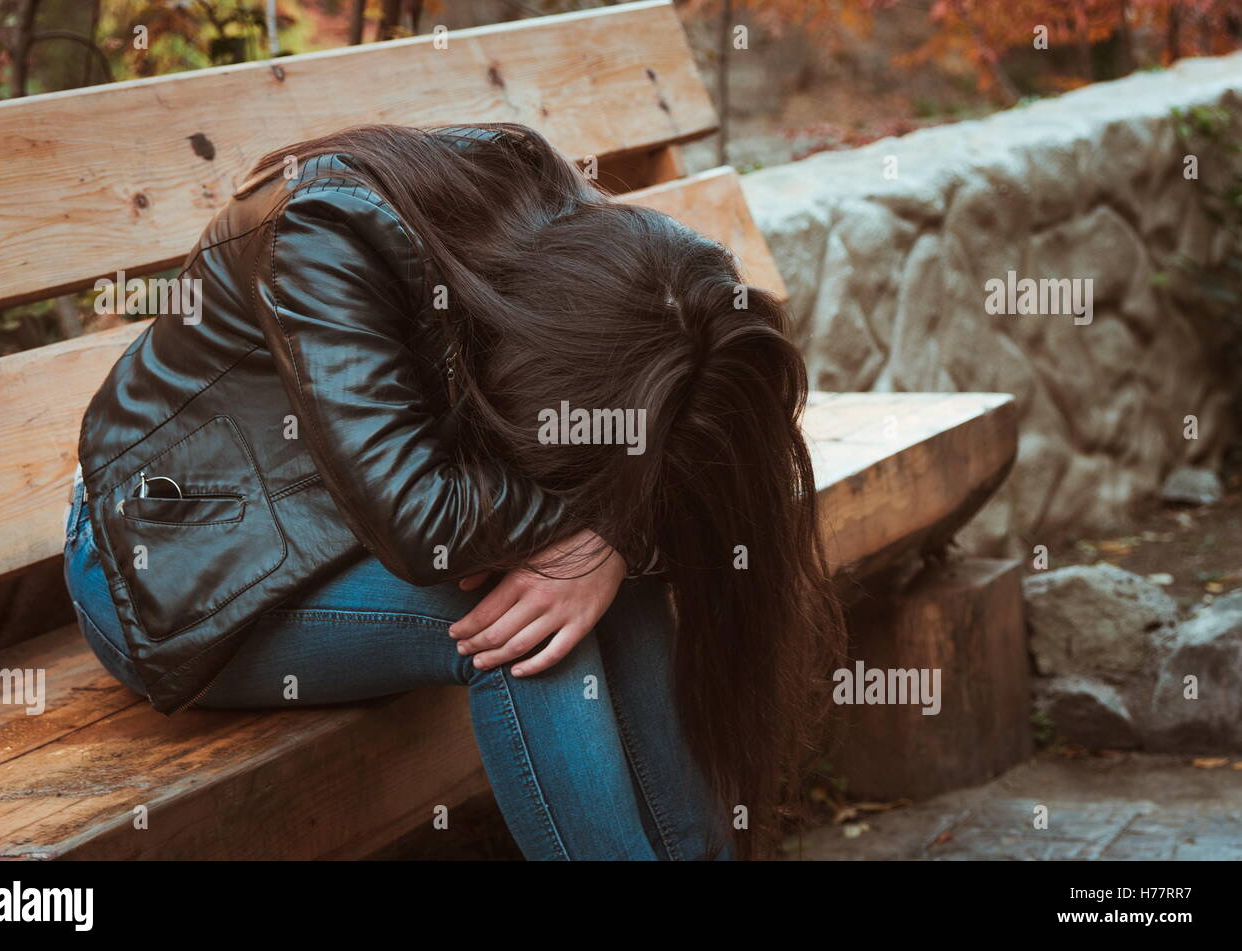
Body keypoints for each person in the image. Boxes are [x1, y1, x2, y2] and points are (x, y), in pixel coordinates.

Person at [64, 123, 844, 860]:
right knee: (529, 632)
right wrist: (601, 523)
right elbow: (421, 521)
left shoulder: (540, 215)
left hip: (348, 529)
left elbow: (663, 442)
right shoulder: (322, 232)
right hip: (175, 563)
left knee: (598, 590)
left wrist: (613, 535)